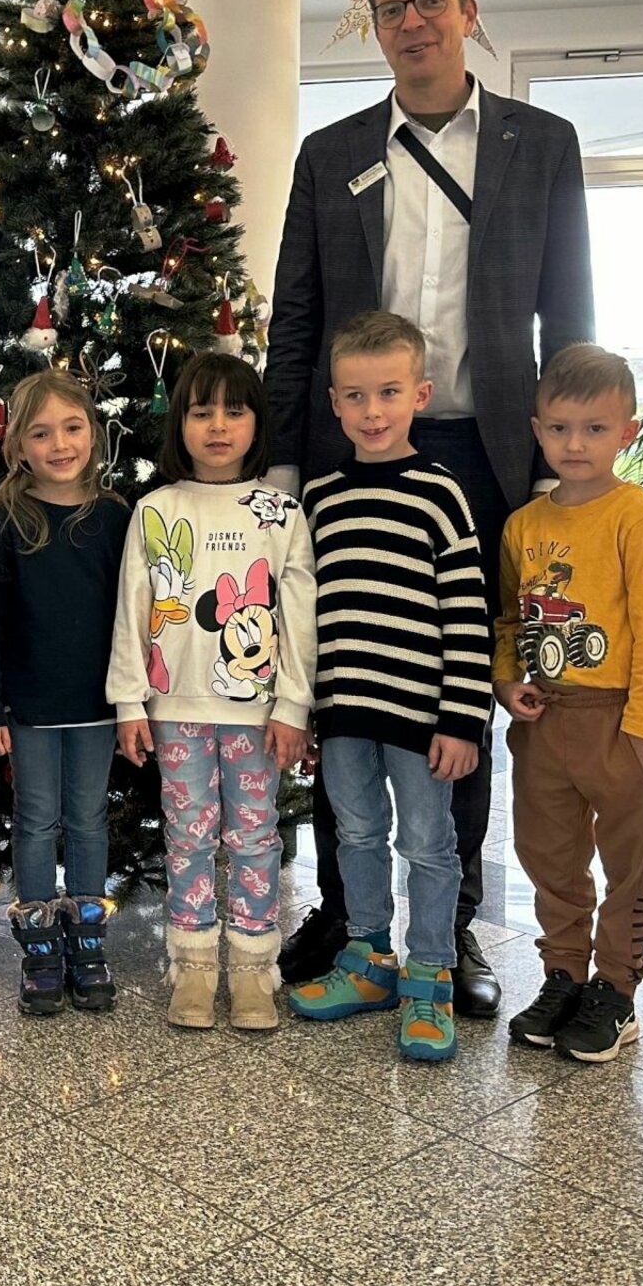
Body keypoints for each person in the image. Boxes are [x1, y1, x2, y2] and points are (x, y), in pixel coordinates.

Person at [266, 0, 595, 1015]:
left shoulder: (540, 144)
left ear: (465, 11)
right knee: (354, 681)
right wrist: (284, 451)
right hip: (351, 451)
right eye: (391, 7)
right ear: (373, 26)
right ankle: (348, 919)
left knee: (466, 678)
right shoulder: (329, 153)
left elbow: (568, 309)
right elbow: (296, 318)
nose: (412, 22)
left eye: (430, 2)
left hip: (489, 450)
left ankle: (443, 936)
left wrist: (564, 457)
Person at [286, 315, 491, 1062]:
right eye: (356, 396)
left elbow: (467, 613)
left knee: (430, 846)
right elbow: (305, 615)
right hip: (344, 713)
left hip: (422, 716)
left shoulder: (441, 495)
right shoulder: (323, 497)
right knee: (356, 834)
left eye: (390, 393)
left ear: (421, 396)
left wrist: (463, 719)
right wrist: (303, 708)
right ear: (335, 404)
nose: (373, 412)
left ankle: (429, 973)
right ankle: (368, 960)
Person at [108, 353, 315, 1033]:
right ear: (181, 424)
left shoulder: (280, 512)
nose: (218, 426)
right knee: (187, 836)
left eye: (234, 410)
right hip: (177, 711)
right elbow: (134, 607)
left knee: (255, 836)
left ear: (258, 422)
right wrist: (130, 700)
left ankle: (254, 966)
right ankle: (193, 964)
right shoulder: (156, 509)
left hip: (258, 715)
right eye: (201, 412)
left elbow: (297, 614)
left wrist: (292, 704)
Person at [493, 345, 643, 1063]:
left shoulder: (640, 519)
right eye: (561, 428)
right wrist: (507, 684)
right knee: (549, 857)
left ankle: (616, 987)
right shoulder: (524, 525)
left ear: (627, 432)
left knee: (628, 864)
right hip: (545, 721)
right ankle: (563, 975)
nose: (576, 444)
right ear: (538, 430)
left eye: (595, 429)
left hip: (616, 720)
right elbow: (510, 621)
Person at [0, 370, 129, 1017]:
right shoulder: (6, 518)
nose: (59, 444)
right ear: (18, 445)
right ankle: (39, 947)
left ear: (92, 431)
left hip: (97, 705)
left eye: (71, 427)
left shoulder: (117, 516)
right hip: (30, 708)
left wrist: (133, 702)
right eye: (41, 433)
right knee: (35, 822)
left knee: (89, 820)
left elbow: (135, 613)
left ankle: (87, 940)